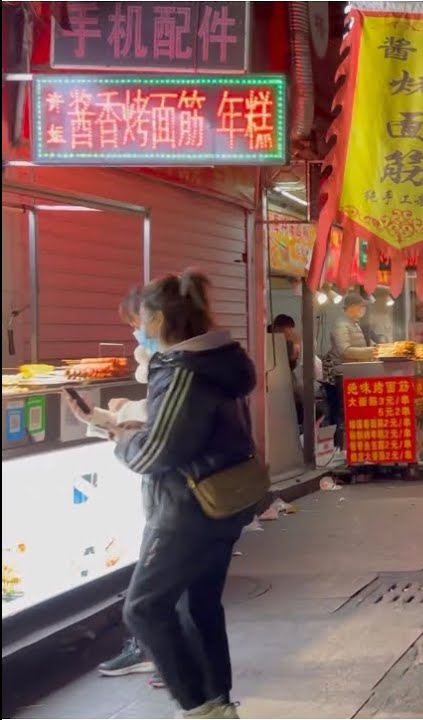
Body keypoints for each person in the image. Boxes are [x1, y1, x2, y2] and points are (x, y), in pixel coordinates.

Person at [67, 270, 256, 719]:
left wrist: (121, 440)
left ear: (157, 320)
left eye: (138, 323)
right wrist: (111, 423)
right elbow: (181, 431)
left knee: (144, 609)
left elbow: (158, 451)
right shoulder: (216, 362)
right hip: (221, 500)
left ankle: (199, 707)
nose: (136, 333)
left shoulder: (183, 370)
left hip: (186, 508)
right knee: (197, 604)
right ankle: (217, 705)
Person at [90, 288, 165, 690]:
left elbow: (163, 421)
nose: (137, 333)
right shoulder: (176, 360)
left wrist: (122, 417)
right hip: (185, 497)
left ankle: (169, 661)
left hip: (175, 496)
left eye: (137, 324)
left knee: (152, 590)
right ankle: (174, 662)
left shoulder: (175, 362)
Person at [321, 293, 371, 449]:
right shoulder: (342, 325)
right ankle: (341, 448)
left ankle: (352, 447)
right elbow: (345, 350)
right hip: (343, 374)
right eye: (361, 306)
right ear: (351, 307)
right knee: (344, 413)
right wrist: (370, 352)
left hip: (353, 373)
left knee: (352, 412)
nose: (363, 310)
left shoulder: (353, 324)